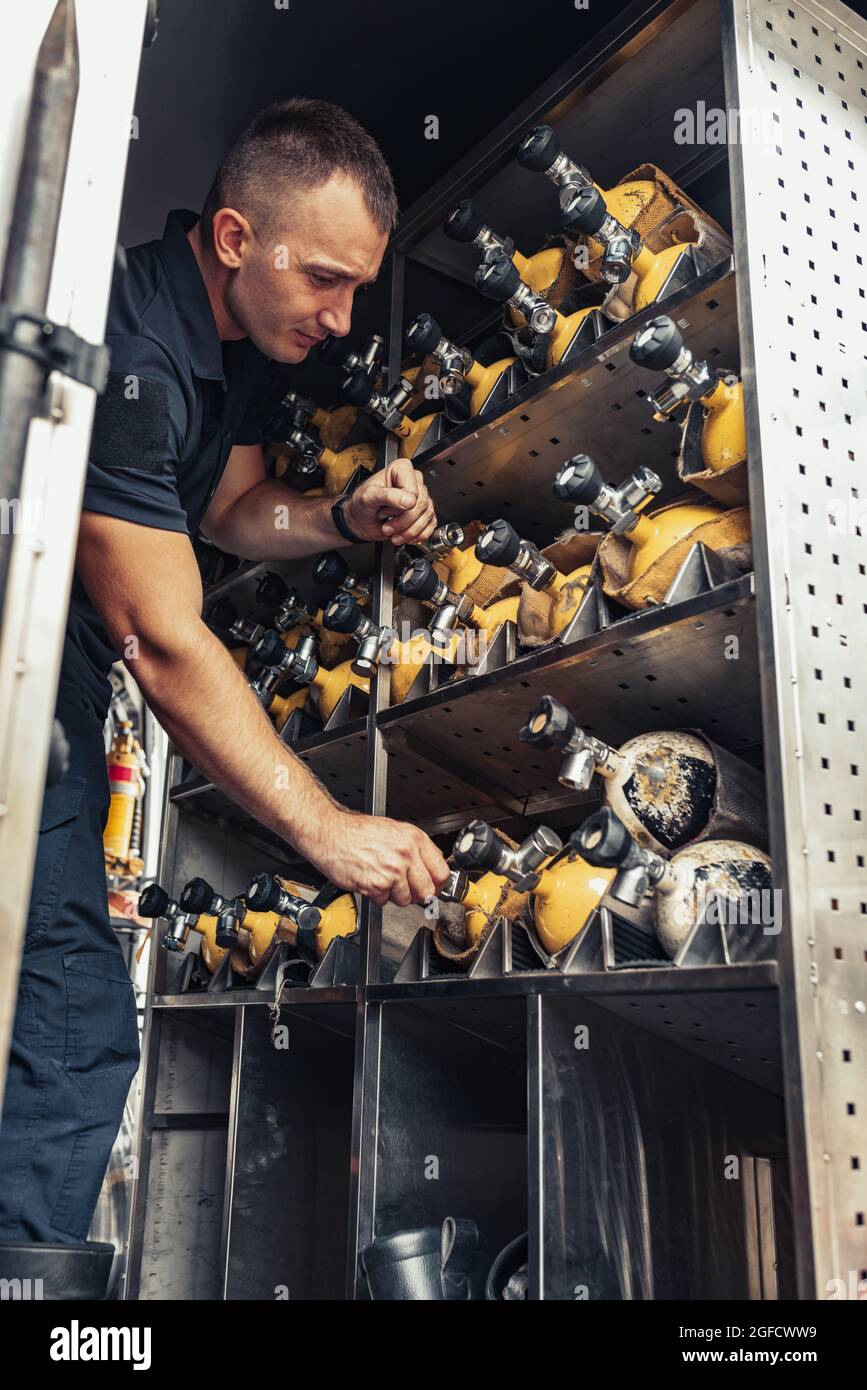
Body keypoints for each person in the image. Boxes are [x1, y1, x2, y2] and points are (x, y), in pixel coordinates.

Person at [0, 97, 450, 1246]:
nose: (344, 320)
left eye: (358, 288)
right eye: (328, 282)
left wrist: (344, 513)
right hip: (20, 682)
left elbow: (241, 508)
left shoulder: (232, 343)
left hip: (55, 690)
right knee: (72, 1020)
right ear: (238, 238)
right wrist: (325, 827)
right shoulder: (133, 348)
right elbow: (160, 638)